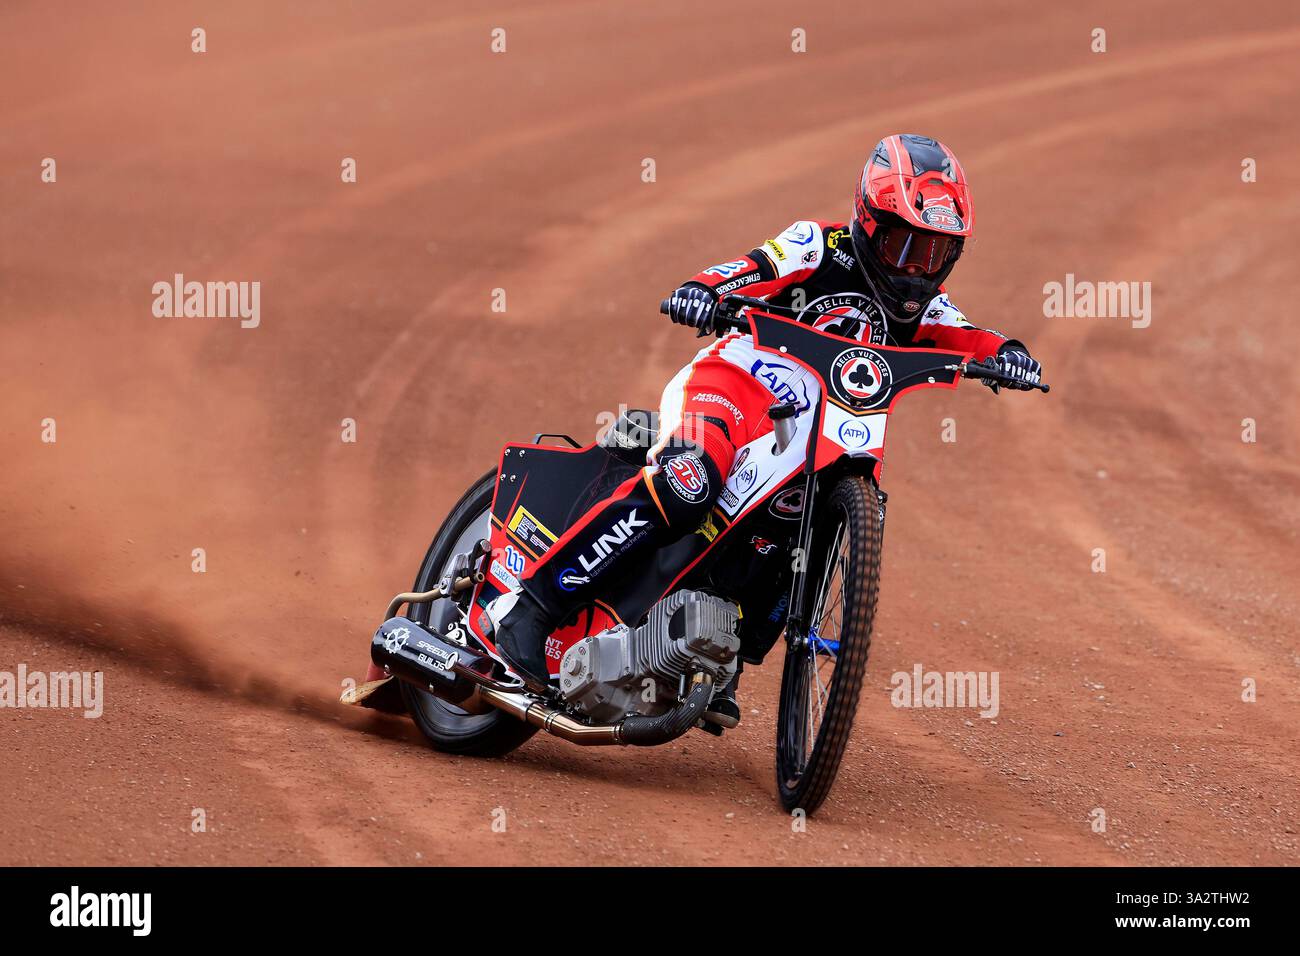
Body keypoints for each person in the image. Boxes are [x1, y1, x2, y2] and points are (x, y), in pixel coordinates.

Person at [489, 133, 1042, 727]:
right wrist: (703, 291)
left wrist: (1008, 352)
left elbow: (969, 334)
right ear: (868, 219)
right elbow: (749, 268)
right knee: (687, 482)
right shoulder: (817, 244)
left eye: (935, 254)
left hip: (820, 432)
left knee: (797, 520)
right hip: (730, 388)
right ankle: (532, 609)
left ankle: (713, 655)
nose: (916, 268)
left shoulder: (923, 309)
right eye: (905, 244)